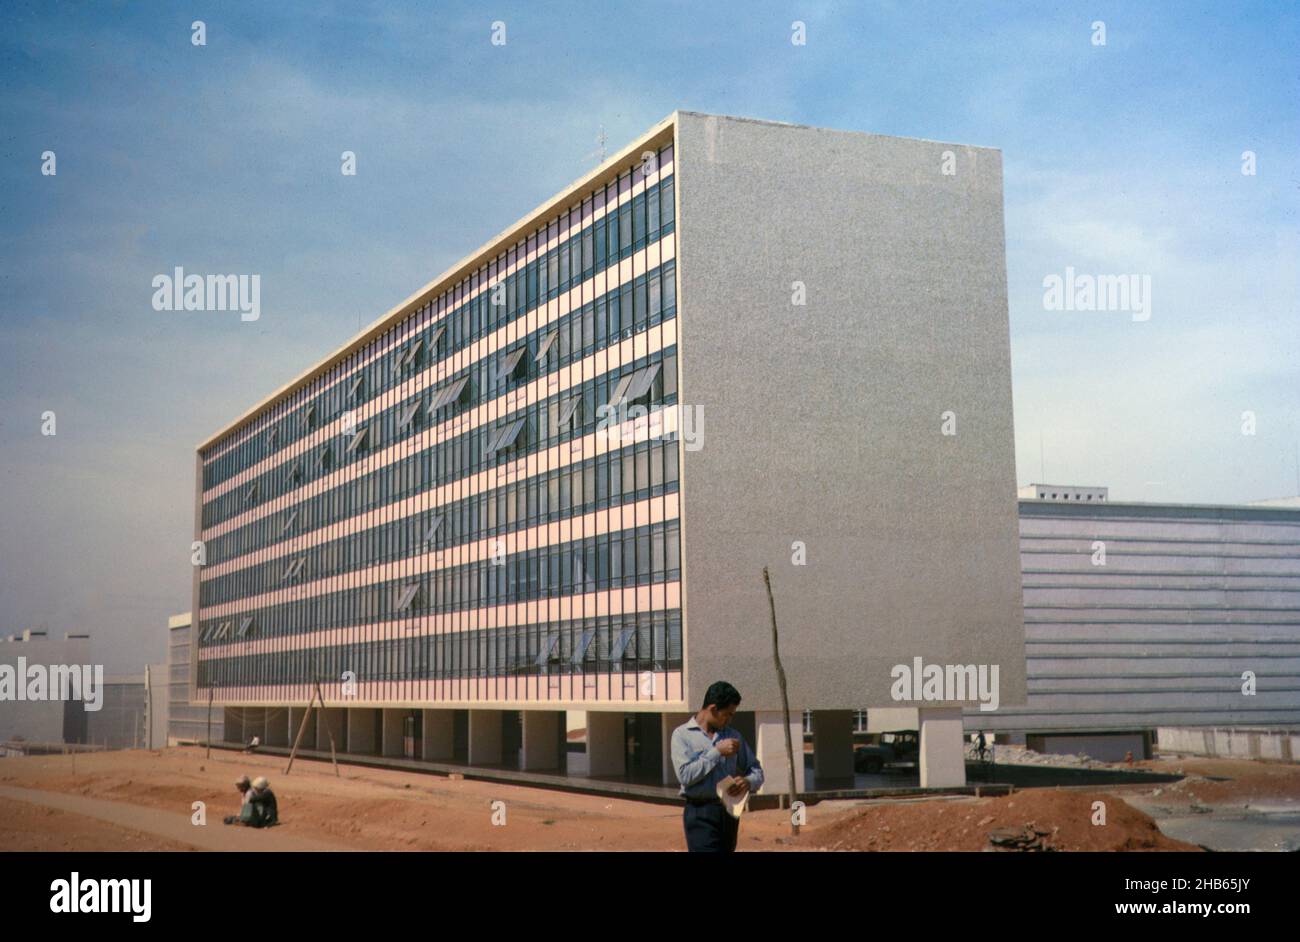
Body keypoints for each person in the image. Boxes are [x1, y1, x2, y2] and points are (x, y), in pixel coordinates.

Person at [670, 681, 764, 853]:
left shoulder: (733, 736)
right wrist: (716, 752)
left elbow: (756, 770)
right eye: (727, 714)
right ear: (713, 709)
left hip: (729, 813)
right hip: (700, 812)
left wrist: (748, 782)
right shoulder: (682, 735)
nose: (729, 719)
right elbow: (685, 776)